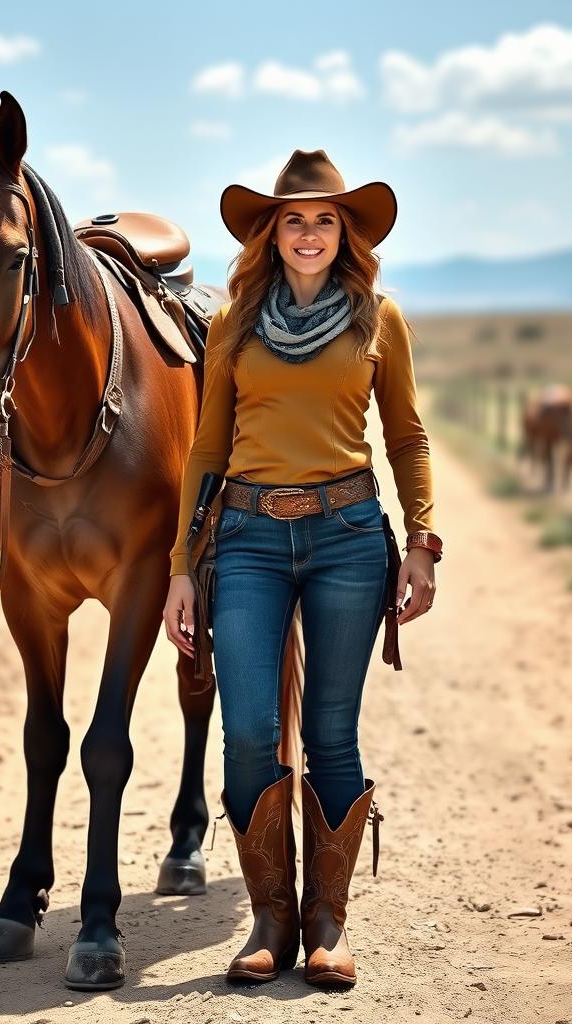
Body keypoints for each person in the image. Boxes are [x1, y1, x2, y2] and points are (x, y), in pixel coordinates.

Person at [162, 149, 441, 988]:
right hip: (245, 536)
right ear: (270, 234)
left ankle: (327, 921)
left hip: (348, 536)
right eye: (295, 220)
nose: (310, 233)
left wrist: (423, 541)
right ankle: (270, 917)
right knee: (246, 727)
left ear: (344, 233)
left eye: (325, 220)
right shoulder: (232, 325)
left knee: (329, 733)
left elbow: (407, 437)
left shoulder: (377, 318)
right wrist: (183, 564)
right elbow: (208, 446)